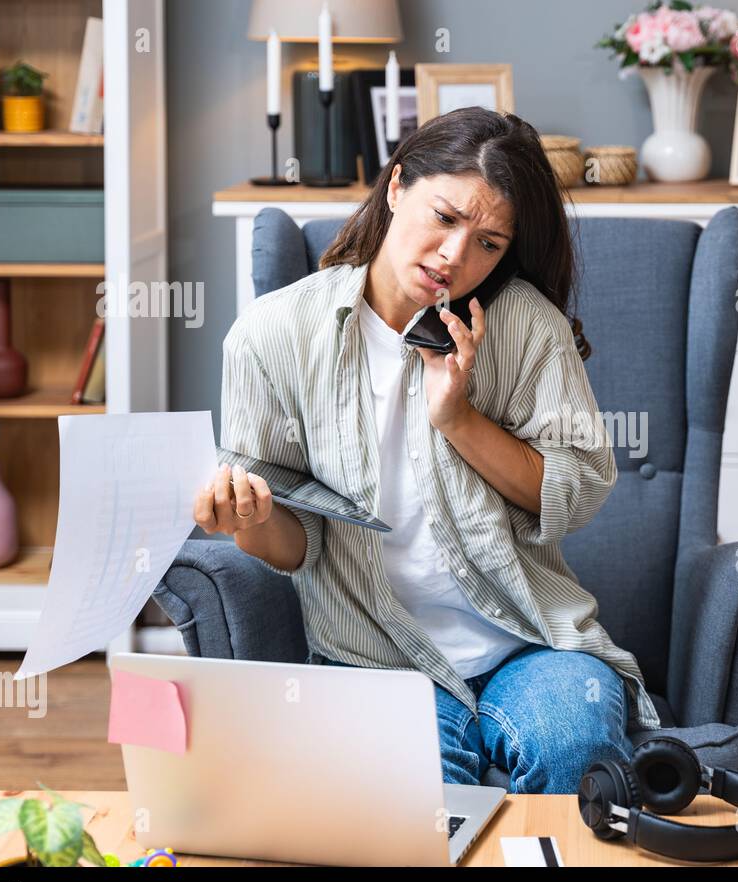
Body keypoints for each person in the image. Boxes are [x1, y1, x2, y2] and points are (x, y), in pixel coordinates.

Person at [192, 107, 661, 792]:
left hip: (528, 643)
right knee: (416, 792)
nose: (455, 257)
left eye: (489, 244)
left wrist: (460, 418)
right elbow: (298, 548)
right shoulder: (274, 335)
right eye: (445, 217)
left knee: (576, 746)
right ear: (397, 185)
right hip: (373, 655)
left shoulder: (526, 326)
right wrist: (251, 522)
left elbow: (579, 488)